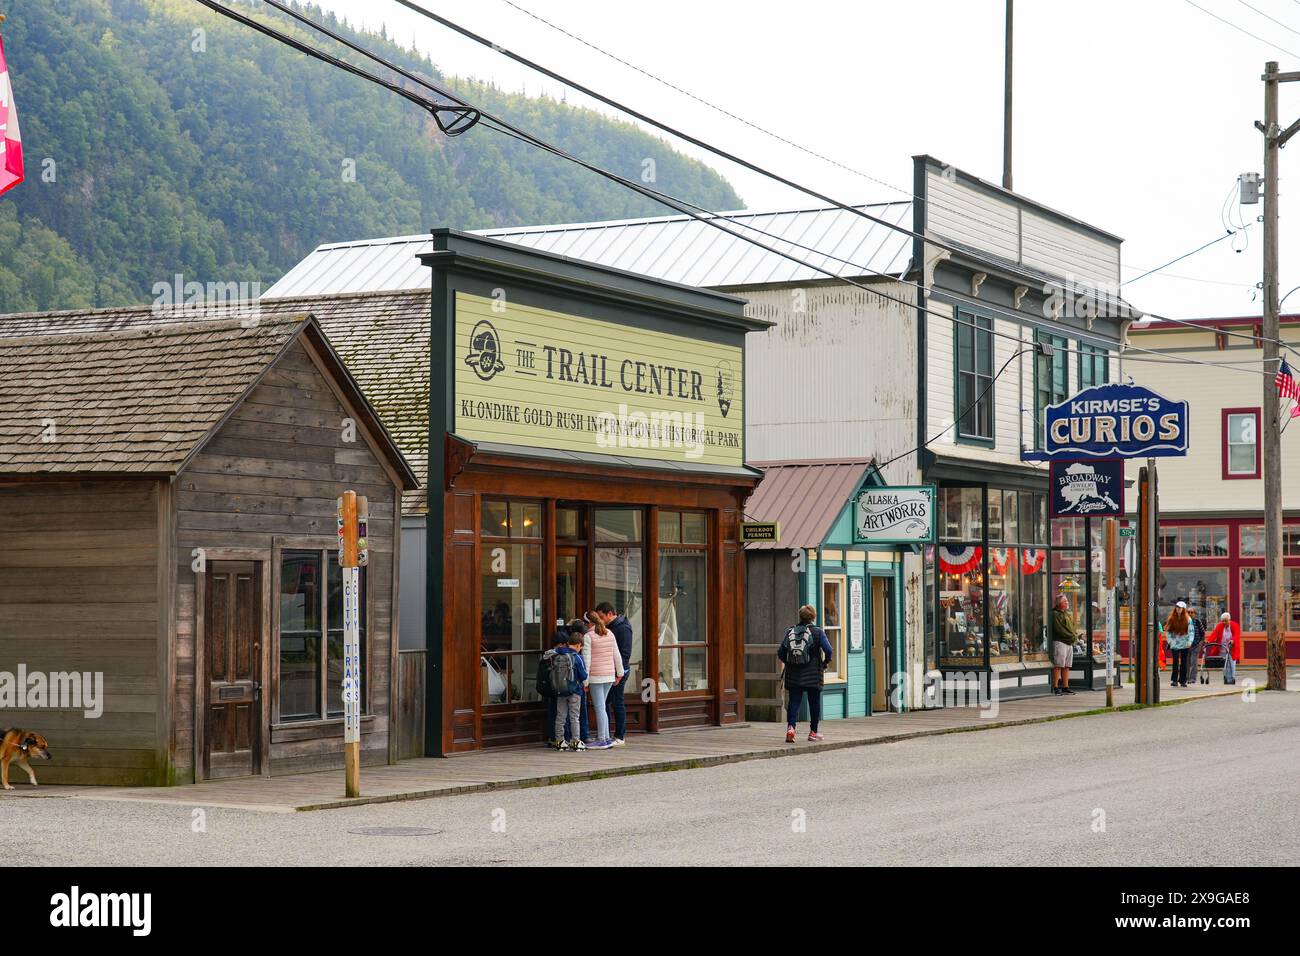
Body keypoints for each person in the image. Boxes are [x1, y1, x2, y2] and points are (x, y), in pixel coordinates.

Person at [777, 605, 833, 743]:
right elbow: (829, 650)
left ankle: (791, 728)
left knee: (794, 701)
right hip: (813, 674)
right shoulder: (818, 632)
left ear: (800, 616)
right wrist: (825, 662)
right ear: (813, 617)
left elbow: (781, 652)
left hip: (794, 673)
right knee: (814, 702)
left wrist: (791, 662)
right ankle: (813, 732)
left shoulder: (791, 631)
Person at [583, 610, 625, 749]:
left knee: (600, 708)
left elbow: (586, 660)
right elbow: (616, 655)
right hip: (609, 675)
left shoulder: (588, 636)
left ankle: (602, 739)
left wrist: (585, 681)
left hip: (596, 676)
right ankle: (606, 737)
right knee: (602, 707)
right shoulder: (609, 633)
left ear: (589, 623)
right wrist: (619, 673)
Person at [595, 601, 633, 746]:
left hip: (619, 672)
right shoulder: (611, 627)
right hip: (611, 671)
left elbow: (624, 653)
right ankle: (607, 734)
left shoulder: (622, 628)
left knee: (617, 702)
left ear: (610, 614)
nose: (600, 620)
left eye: (601, 616)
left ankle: (619, 736)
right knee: (607, 702)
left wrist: (619, 673)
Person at [549, 632, 588, 751]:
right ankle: (575, 741)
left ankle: (560, 741)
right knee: (574, 717)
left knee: (560, 716)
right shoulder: (577, 657)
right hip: (575, 691)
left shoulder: (557, 655)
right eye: (581, 647)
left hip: (560, 690)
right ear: (578, 645)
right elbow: (584, 675)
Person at [1050, 593, 1078, 695]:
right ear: (1059, 603)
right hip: (1060, 642)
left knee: (1066, 666)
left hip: (1068, 643)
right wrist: (1072, 637)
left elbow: (1072, 627)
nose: (1067, 603)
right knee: (1058, 665)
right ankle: (1055, 686)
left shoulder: (1067, 614)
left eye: (1067, 601)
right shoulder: (1054, 614)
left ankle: (1066, 686)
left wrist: (1074, 635)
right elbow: (1059, 629)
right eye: (1065, 601)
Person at [1165, 602, 1194, 688]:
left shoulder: (1188, 619)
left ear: (1184, 609)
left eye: (1180, 608)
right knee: (1175, 662)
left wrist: (1190, 642)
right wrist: (1170, 641)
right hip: (1175, 644)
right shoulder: (1171, 618)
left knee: (1184, 662)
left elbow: (1191, 632)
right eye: (1177, 607)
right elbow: (1168, 631)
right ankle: (1174, 680)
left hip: (1185, 644)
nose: (1178, 609)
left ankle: (1183, 680)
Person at [1208, 612, 1241, 684]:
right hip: (1222, 648)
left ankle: (1232, 678)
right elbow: (1214, 633)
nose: (1224, 622)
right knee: (1225, 664)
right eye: (1222, 620)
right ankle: (1226, 678)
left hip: (1232, 648)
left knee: (1231, 664)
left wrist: (1232, 640)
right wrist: (1209, 640)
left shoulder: (1235, 625)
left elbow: (1236, 634)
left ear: (1229, 619)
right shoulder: (1219, 625)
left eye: (1225, 620)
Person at [1186, 607, 1207, 684]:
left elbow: (1202, 633)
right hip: (1186, 645)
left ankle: (1192, 679)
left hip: (1196, 644)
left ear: (1194, 614)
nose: (1190, 614)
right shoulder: (1185, 622)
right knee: (1186, 662)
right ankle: (1186, 678)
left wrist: (1201, 642)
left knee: (1193, 662)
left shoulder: (1197, 621)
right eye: (1189, 612)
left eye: (1192, 612)